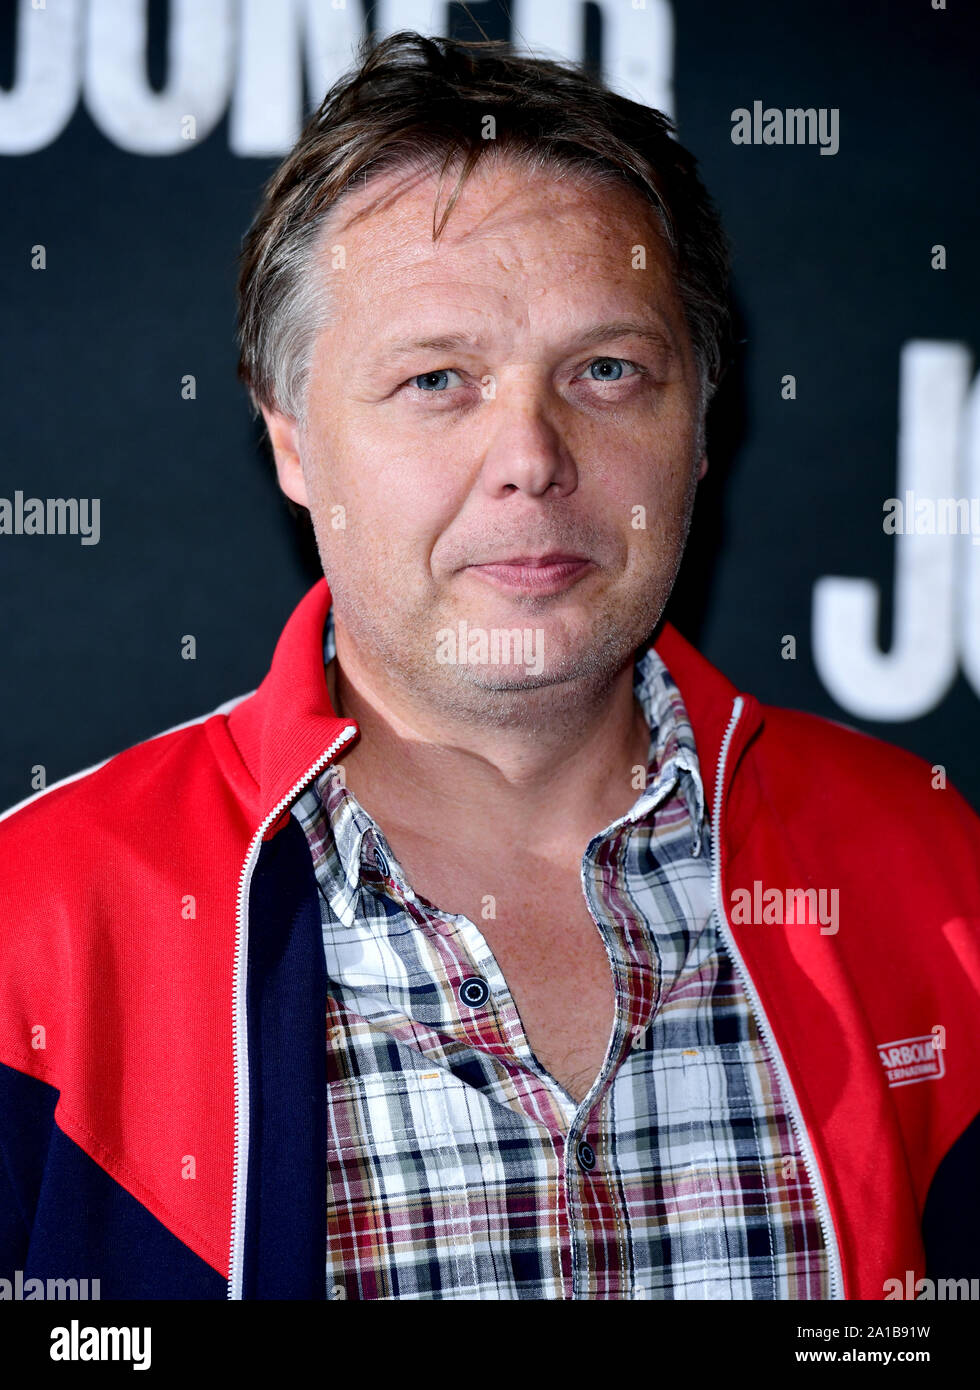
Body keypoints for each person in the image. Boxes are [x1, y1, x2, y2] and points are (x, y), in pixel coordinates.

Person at [1, 29, 978, 1303]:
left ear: (698, 424)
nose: (530, 457)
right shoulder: (32, 930)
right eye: (435, 379)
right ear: (291, 440)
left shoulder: (931, 875)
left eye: (606, 371)